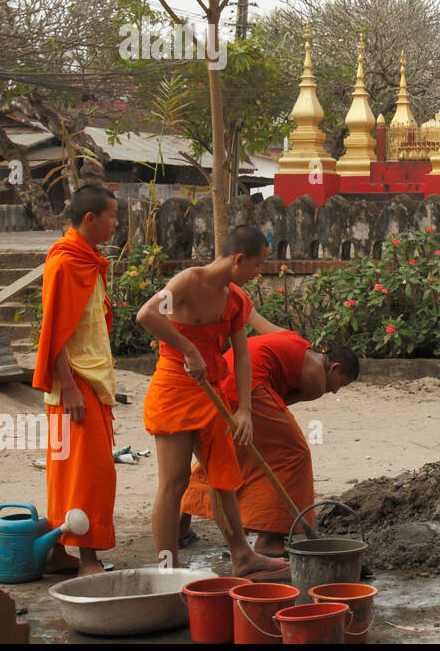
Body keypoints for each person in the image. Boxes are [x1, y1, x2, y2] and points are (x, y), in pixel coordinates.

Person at [138, 224, 285, 577]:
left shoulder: (234, 299)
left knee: (224, 479)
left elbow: (243, 354)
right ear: (239, 259)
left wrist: (245, 409)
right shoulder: (188, 282)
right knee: (174, 483)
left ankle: (243, 556)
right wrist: (188, 349)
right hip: (175, 387)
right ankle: (167, 569)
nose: (258, 273)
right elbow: (147, 315)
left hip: (212, 393)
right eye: (257, 265)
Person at [177, 318, 360, 557]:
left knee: (227, 450)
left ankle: (180, 526)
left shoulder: (297, 341)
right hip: (246, 384)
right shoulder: (317, 380)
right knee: (294, 453)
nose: (335, 390)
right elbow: (277, 407)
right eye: (341, 384)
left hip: (220, 376)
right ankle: (271, 538)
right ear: (333, 368)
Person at [33, 185, 119, 577]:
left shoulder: (87, 259)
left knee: (68, 468)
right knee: (90, 472)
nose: (116, 223)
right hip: (74, 382)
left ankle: (58, 551)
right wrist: (68, 386)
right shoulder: (65, 262)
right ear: (91, 219)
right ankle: (87, 558)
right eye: (112, 216)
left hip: (89, 379)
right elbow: (54, 331)